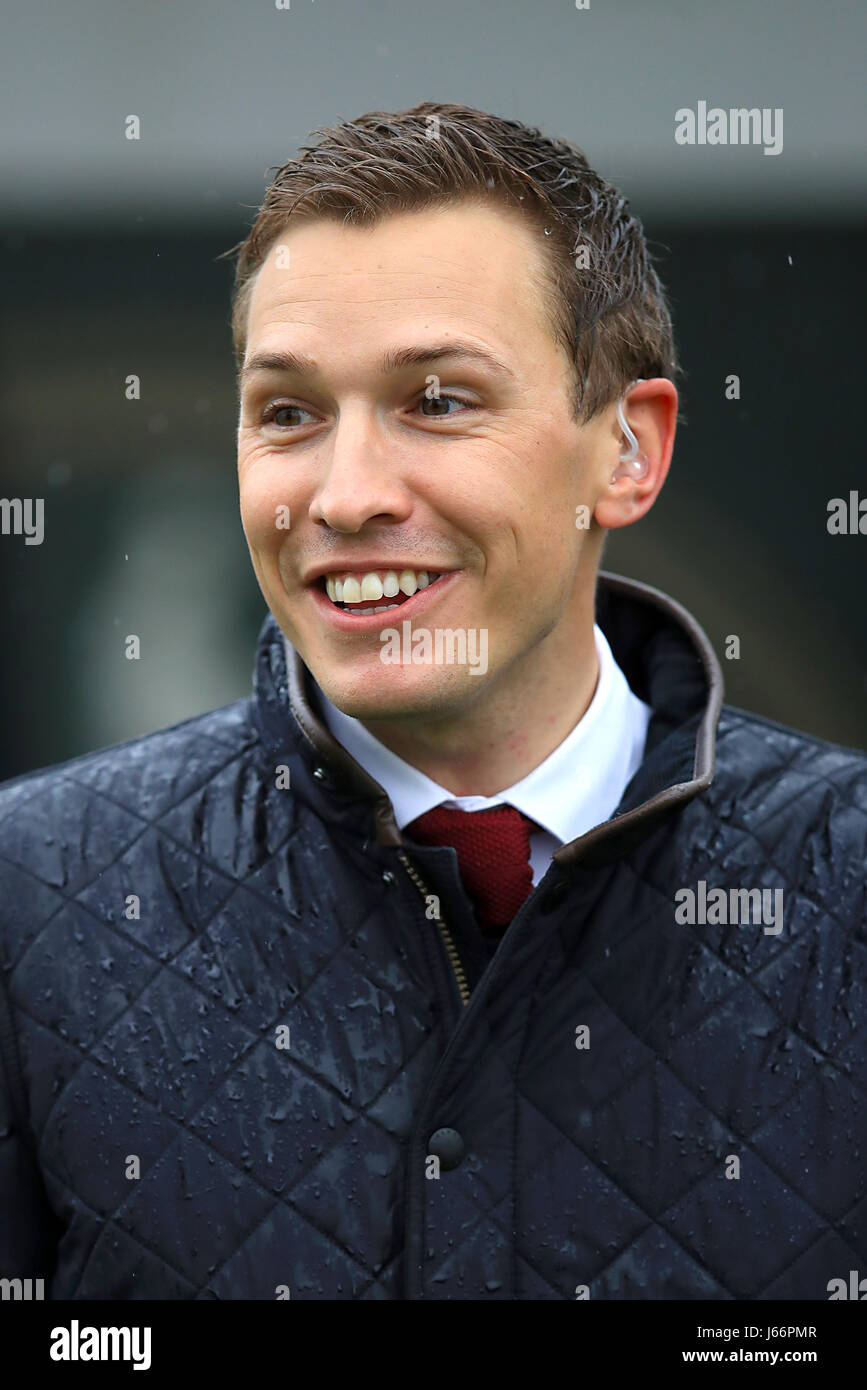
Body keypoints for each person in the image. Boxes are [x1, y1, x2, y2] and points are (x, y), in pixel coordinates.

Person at [0, 101, 864, 1301]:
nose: (347, 494)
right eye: (290, 412)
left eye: (439, 401)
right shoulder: (27, 899)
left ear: (629, 449)